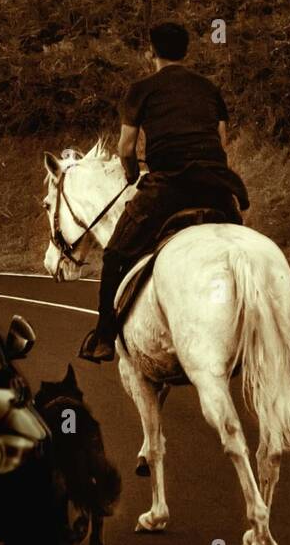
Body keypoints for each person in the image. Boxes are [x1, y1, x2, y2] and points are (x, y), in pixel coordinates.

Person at [77, 21, 249, 363]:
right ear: (186, 51)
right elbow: (222, 142)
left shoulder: (140, 90)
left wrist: (131, 174)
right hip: (216, 186)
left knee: (114, 255)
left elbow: (126, 147)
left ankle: (103, 338)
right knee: (241, 253)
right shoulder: (208, 88)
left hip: (169, 187)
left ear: (150, 52)